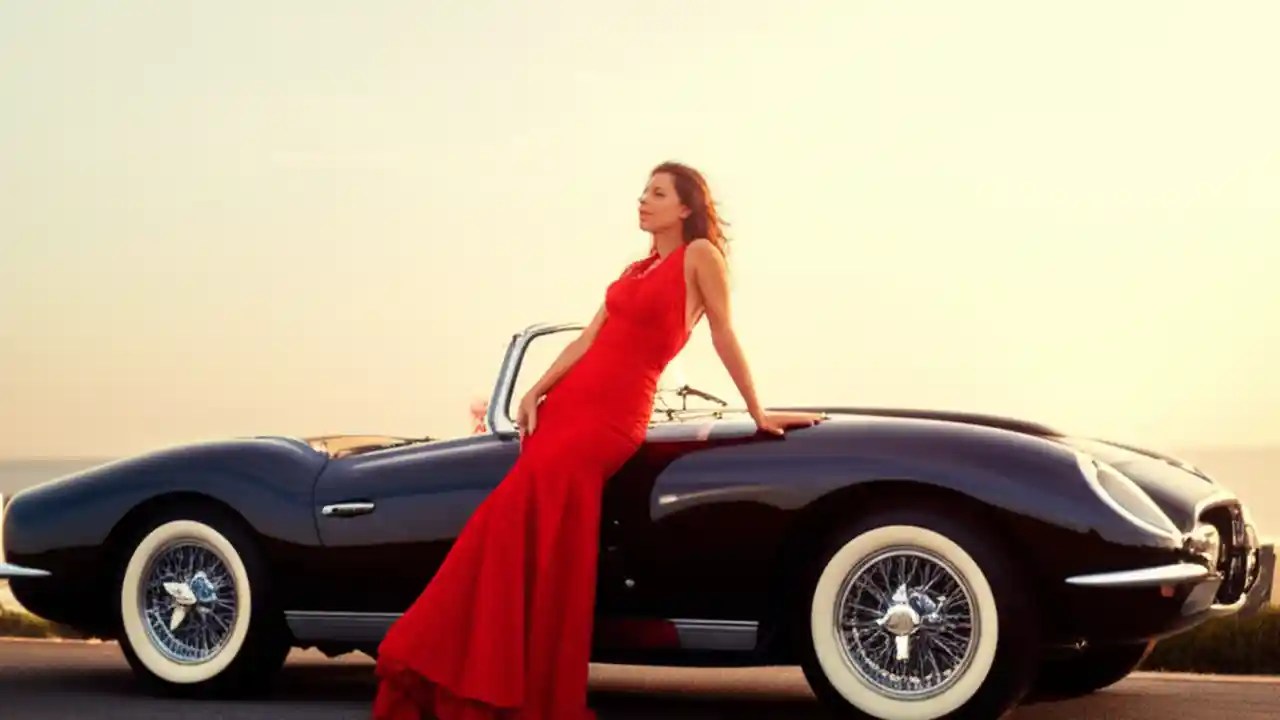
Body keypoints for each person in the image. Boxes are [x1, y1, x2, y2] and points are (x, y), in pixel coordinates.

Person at [370, 161, 826, 720]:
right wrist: (536, 389)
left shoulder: (700, 257)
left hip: (611, 415)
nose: (642, 200)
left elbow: (724, 331)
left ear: (685, 207)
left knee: (509, 523)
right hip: (567, 408)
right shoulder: (635, 268)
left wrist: (758, 410)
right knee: (516, 533)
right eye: (643, 191)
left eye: (657, 193)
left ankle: (498, 676)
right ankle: (482, 672)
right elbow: (589, 339)